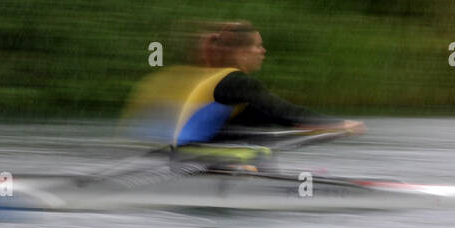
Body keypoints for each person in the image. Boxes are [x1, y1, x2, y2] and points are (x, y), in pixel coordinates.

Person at [122, 22, 364, 147]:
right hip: (202, 157)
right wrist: (338, 124)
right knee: (267, 115)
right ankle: (251, 173)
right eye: (257, 45)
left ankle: (255, 168)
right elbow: (286, 113)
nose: (263, 50)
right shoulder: (237, 83)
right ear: (240, 52)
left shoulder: (216, 77)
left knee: (256, 115)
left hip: (188, 152)